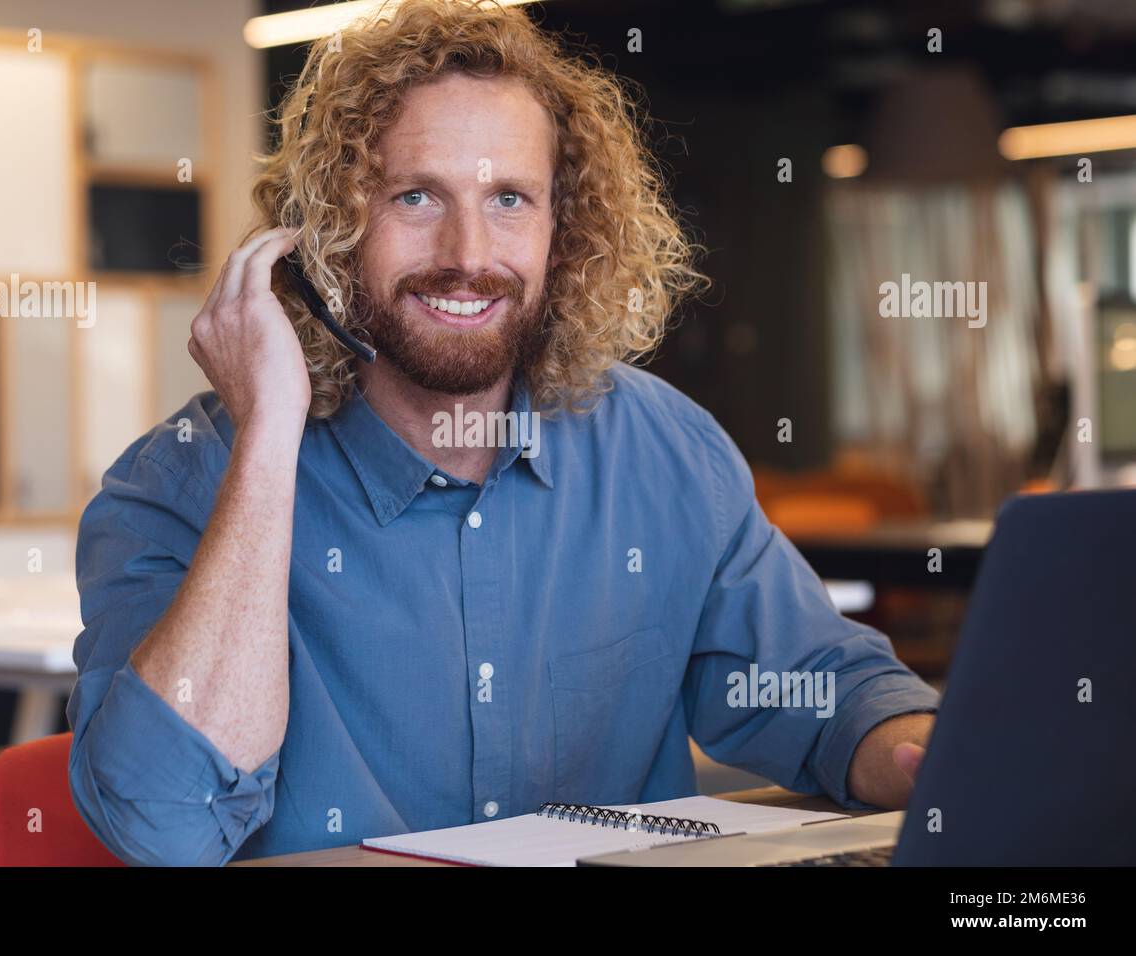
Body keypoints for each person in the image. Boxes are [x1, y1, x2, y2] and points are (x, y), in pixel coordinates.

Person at [68, 0, 936, 866]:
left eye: (510, 199)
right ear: (327, 231)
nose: (469, 252)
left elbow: (820, 688)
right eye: (416, 196)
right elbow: (164, 824)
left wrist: (918, 756)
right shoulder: (178, 482)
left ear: (566, 232)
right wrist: (266, 440)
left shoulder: (662, 448)